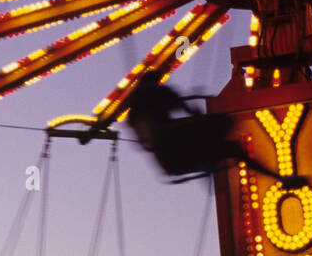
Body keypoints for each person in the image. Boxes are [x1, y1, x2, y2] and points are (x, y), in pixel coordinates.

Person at [126, 76, 302, 185]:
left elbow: (146, 141)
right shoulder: (155, 94)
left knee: (230, 146)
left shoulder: (136, 112)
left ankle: (207, 162)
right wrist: (193, 113)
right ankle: (278, 177)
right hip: (178, 151)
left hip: (170, 161)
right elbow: (181, 105)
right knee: (229, 138)